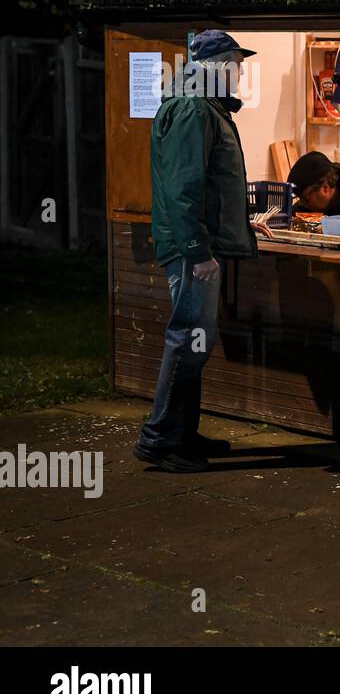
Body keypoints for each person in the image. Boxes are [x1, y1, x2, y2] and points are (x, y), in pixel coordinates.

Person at [135, 30, 262, 472]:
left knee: (195, 341)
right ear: (217, 66)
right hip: (193, 248)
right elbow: (182, 187)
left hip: (198, 243)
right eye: (236, 64)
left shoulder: (201, 106)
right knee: (187, 339)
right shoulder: (193, 108)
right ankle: (161, 440)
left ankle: (183, 435)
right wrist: (197, 249)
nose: (241, 72)